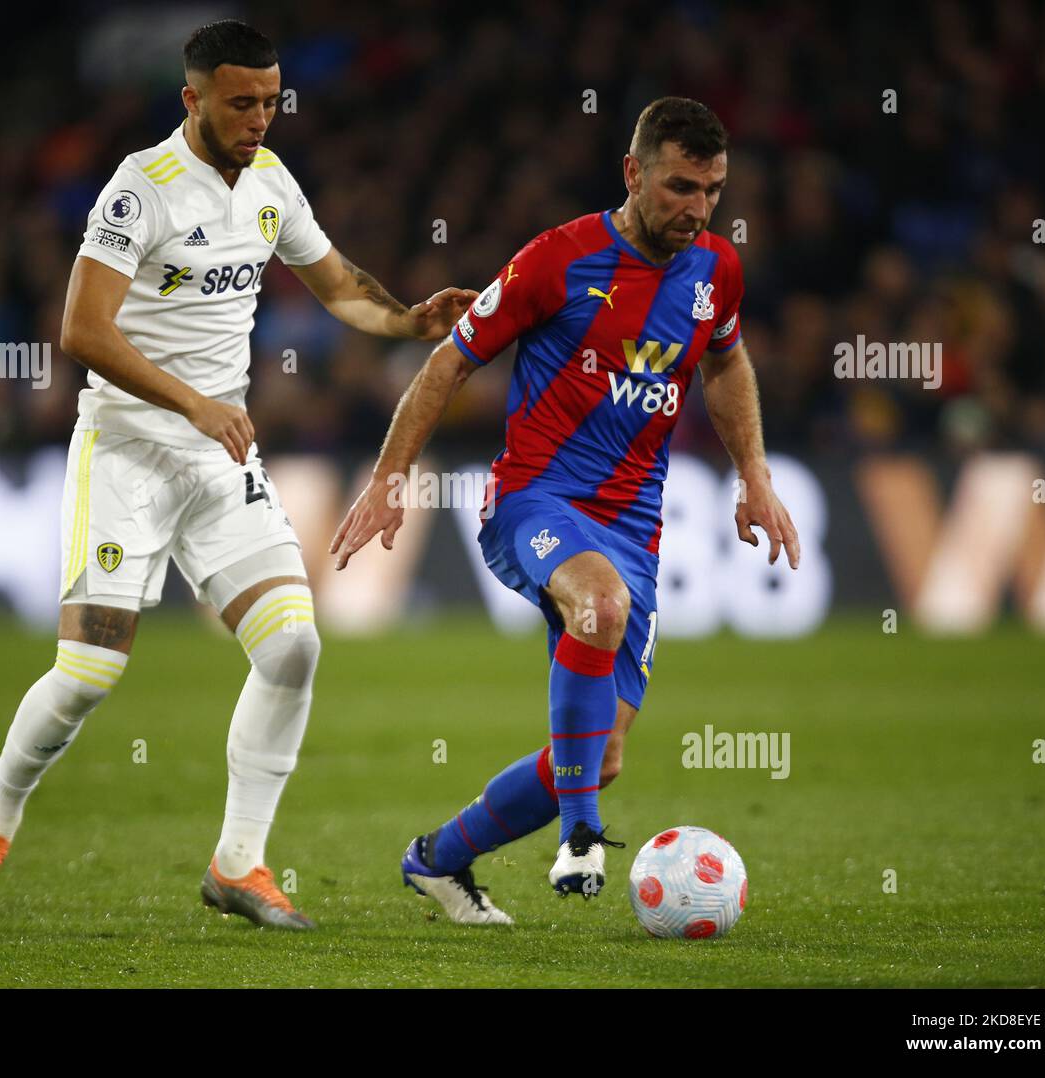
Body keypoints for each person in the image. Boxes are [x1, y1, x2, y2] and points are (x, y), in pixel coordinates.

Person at [0, 19, 474, 931]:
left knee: (294, 648)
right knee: (85, 675)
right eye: (241, 102)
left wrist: (410, 321)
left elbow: (338, 282)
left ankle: (239, 863)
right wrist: (193, 402)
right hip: (127, 455)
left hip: (220, 461)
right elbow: (82, 329)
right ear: (192, 99)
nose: (259, 118)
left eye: (270, 101)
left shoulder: (270, 183)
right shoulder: (138, 190)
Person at [331, 97, 801, 924]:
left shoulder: (716, 270)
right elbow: (447, 364)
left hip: (634, 527)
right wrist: (388, 478)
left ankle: (438, 861)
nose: (697, 209)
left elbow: (725, 365)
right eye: (681, 187)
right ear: (634, 172)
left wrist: (753, 475)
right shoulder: (557, 260)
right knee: (601, 605)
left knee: (599, 754)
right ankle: (582, 836)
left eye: (712, 192)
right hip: (534, 501)